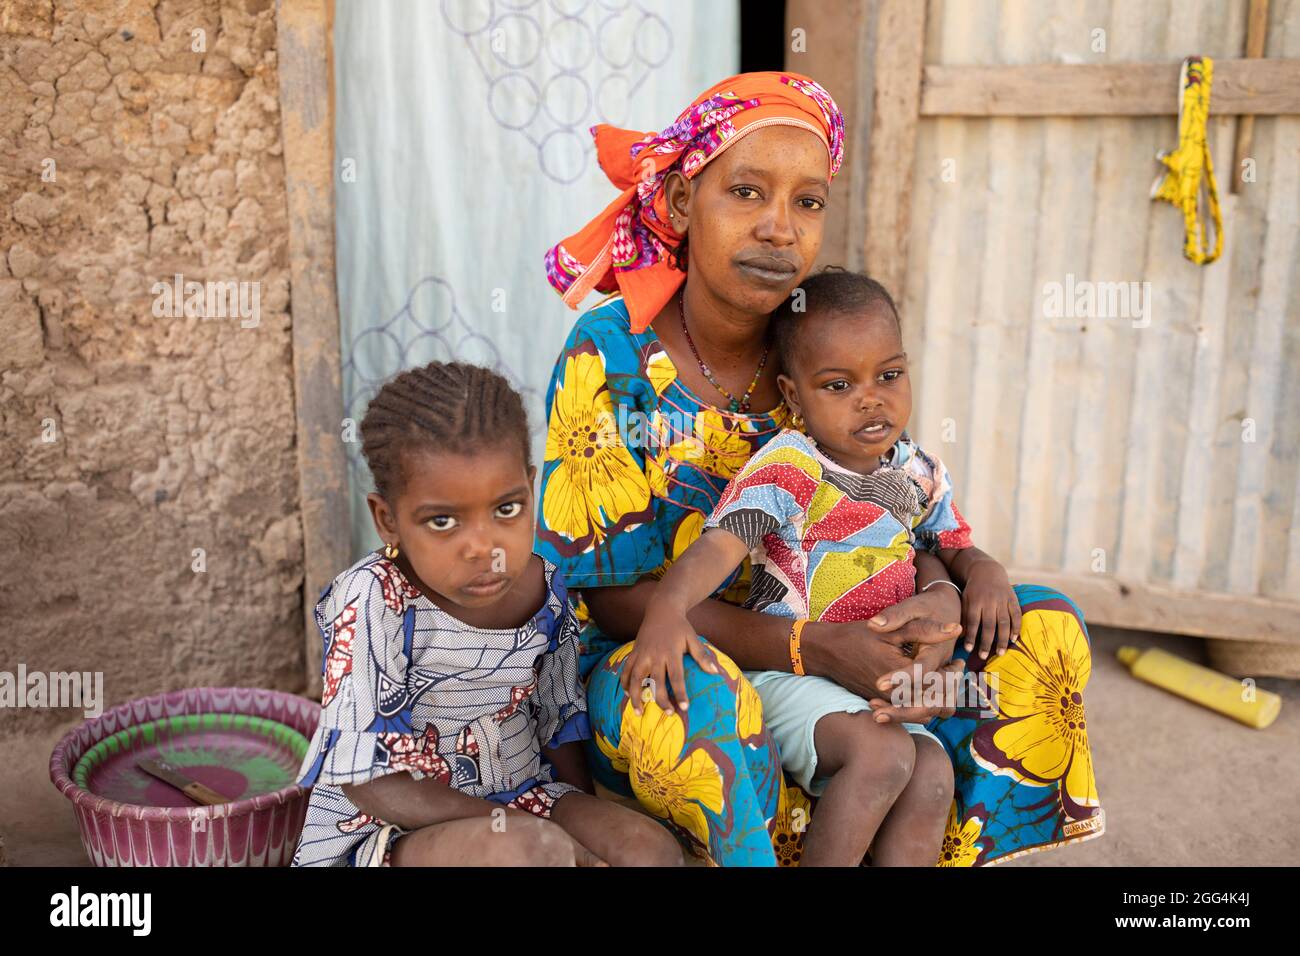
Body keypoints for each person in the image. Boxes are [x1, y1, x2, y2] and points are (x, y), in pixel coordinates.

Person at [538, 71, 1104, 866]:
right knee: (703, 699)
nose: (779, 228)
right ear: (676, 205)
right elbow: (608, 599)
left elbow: (900, 505)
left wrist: (941, 600)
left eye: (807, 202)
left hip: (851, 629)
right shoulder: (614, 353)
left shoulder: (829, 348)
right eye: (745, 192)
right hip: (668, 648)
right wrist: (812, 648)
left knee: (1034, 626)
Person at [630, 270, 1016, 865]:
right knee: (885, 756)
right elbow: (718, 547)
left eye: (889, 375)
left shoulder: (915, 470)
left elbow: (951, 544)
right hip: (790, 678)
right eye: (838, 385)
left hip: (876, 684)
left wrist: (984, 569)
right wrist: (666, 609)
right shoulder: (791, 465)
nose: (872, 398)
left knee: (932, 769)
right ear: (793, 395)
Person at [291, 362, 682, 866]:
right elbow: (372, 785)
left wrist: (578, 823)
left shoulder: (545, 589)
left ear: (531, 487)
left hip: (523, 797)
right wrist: (521, 830)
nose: (483, 547)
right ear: (388, 520)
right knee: (529, 851)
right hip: (390, 830)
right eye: (442, 520)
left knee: (649, 850)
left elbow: (556, 725)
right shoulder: (371, 600)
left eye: (506, 510)